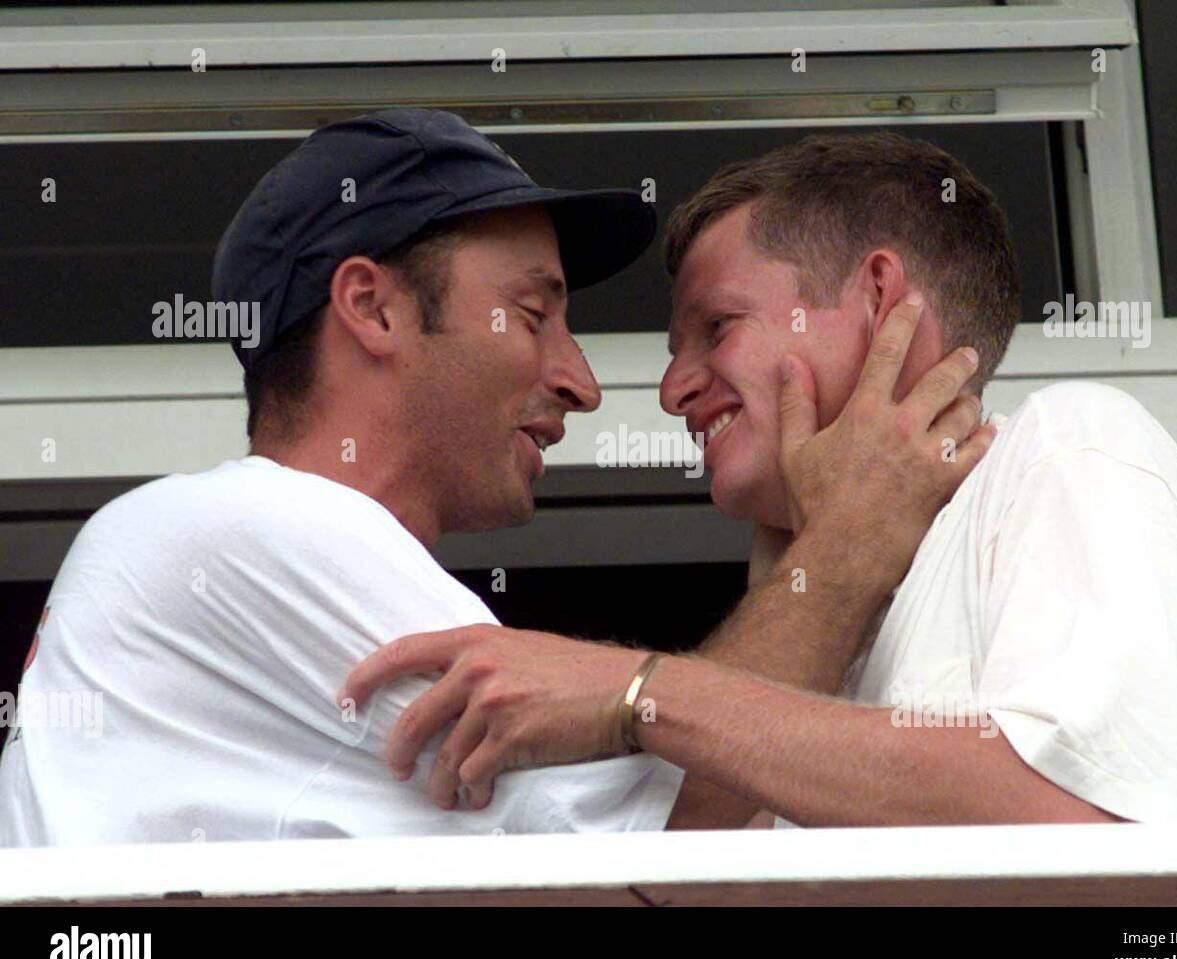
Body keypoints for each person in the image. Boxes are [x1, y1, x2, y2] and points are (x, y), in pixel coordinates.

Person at [0, 111, 987, 846]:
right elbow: (684, 848)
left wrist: (792, 552)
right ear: (372, 309)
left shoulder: (230, 557)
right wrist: (851, 542)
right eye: (533, 312)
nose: (582, 381)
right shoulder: (242, 529)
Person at [343, 133, 1177, 826]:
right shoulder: (836, 606)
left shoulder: (1065, 448)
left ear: (879, 297)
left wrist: (633, 692)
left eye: (716, 329)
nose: (674, 389)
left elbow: (1073, 824)